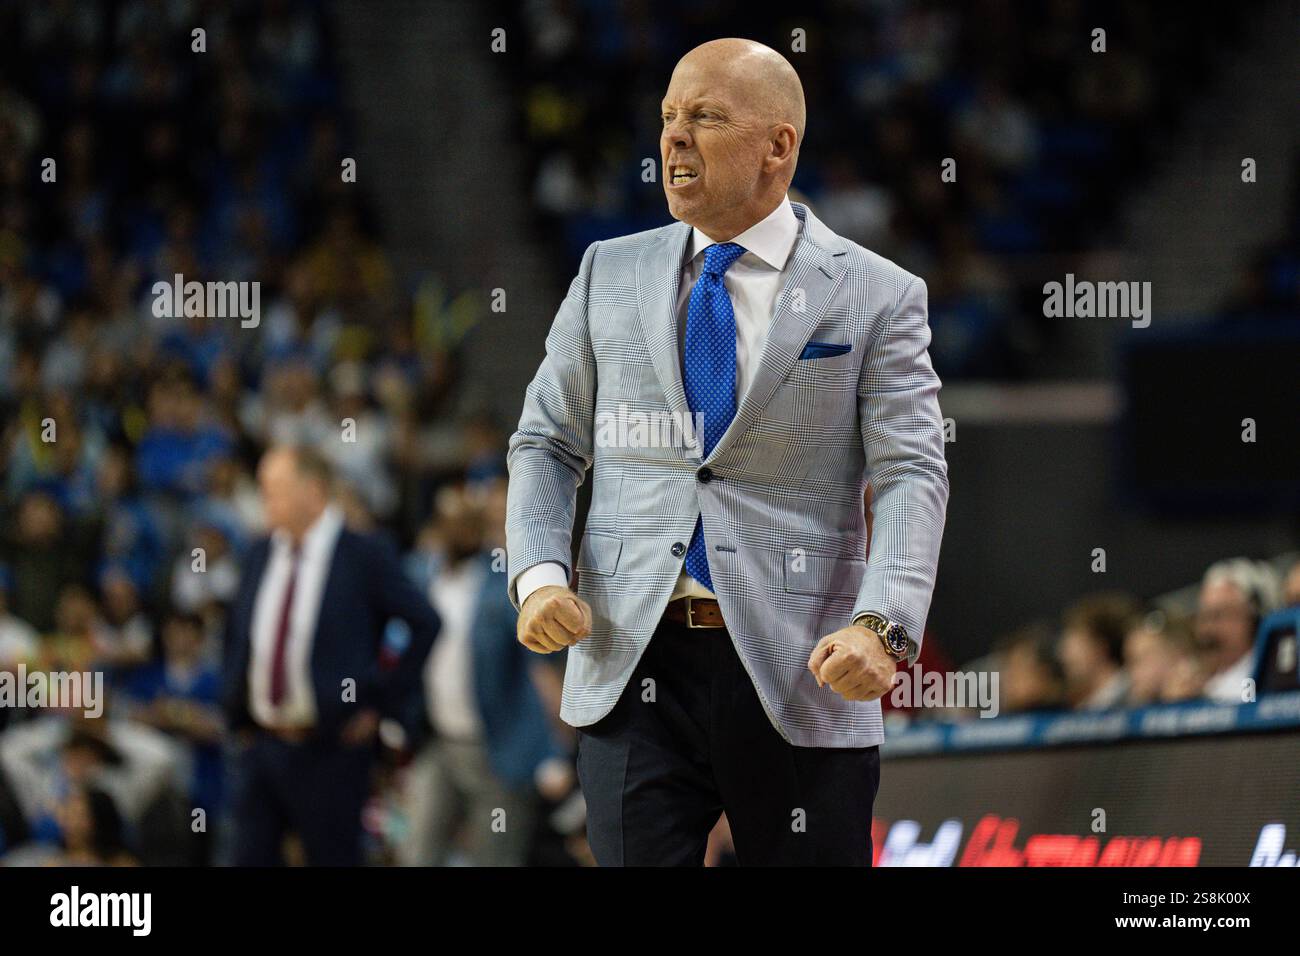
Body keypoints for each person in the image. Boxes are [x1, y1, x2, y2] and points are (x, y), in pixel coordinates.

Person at [505, 38, 948, 866]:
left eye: (705, 117)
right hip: (631, 659)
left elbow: (911, 471)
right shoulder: (607, 270)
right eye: (669, 117)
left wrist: (883, 629)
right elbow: (545, 441)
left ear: (779, 145)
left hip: (804, 662)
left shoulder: (879, 293)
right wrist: (537, 575)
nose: (673, 138)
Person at [222, 444, 440, 865]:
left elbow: (425, 622)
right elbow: (239, 635)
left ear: (313, 489)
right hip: (262, 743)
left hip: (330, 749)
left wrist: (378, 701)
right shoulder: (261, 552)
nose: (264, 498)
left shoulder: (362, 553)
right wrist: (236, 708)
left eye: (275, 489)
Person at [400, 485, 567, 866]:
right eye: (449, 523)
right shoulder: (421, 574)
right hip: (438, 742)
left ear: (478, 529)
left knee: (496, 854)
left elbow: (536, 665)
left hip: (496, 746)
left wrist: (550, 752)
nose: (458, 532)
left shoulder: (500, 580)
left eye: (466, 524)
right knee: (417, 849)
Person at [1195, 557, 1279, 704]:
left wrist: (1198, 699)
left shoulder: (1264, 678)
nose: (1207, 629)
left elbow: (1248, 701)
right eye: (1204, 616)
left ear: (1254, 620)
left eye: (1219, 615)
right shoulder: (1197, 674)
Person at [1058, 593, 1140, 710]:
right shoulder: (1085, 706)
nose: (1064, 655)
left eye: (1073, 645)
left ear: (1100, 647)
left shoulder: (1134, 698)